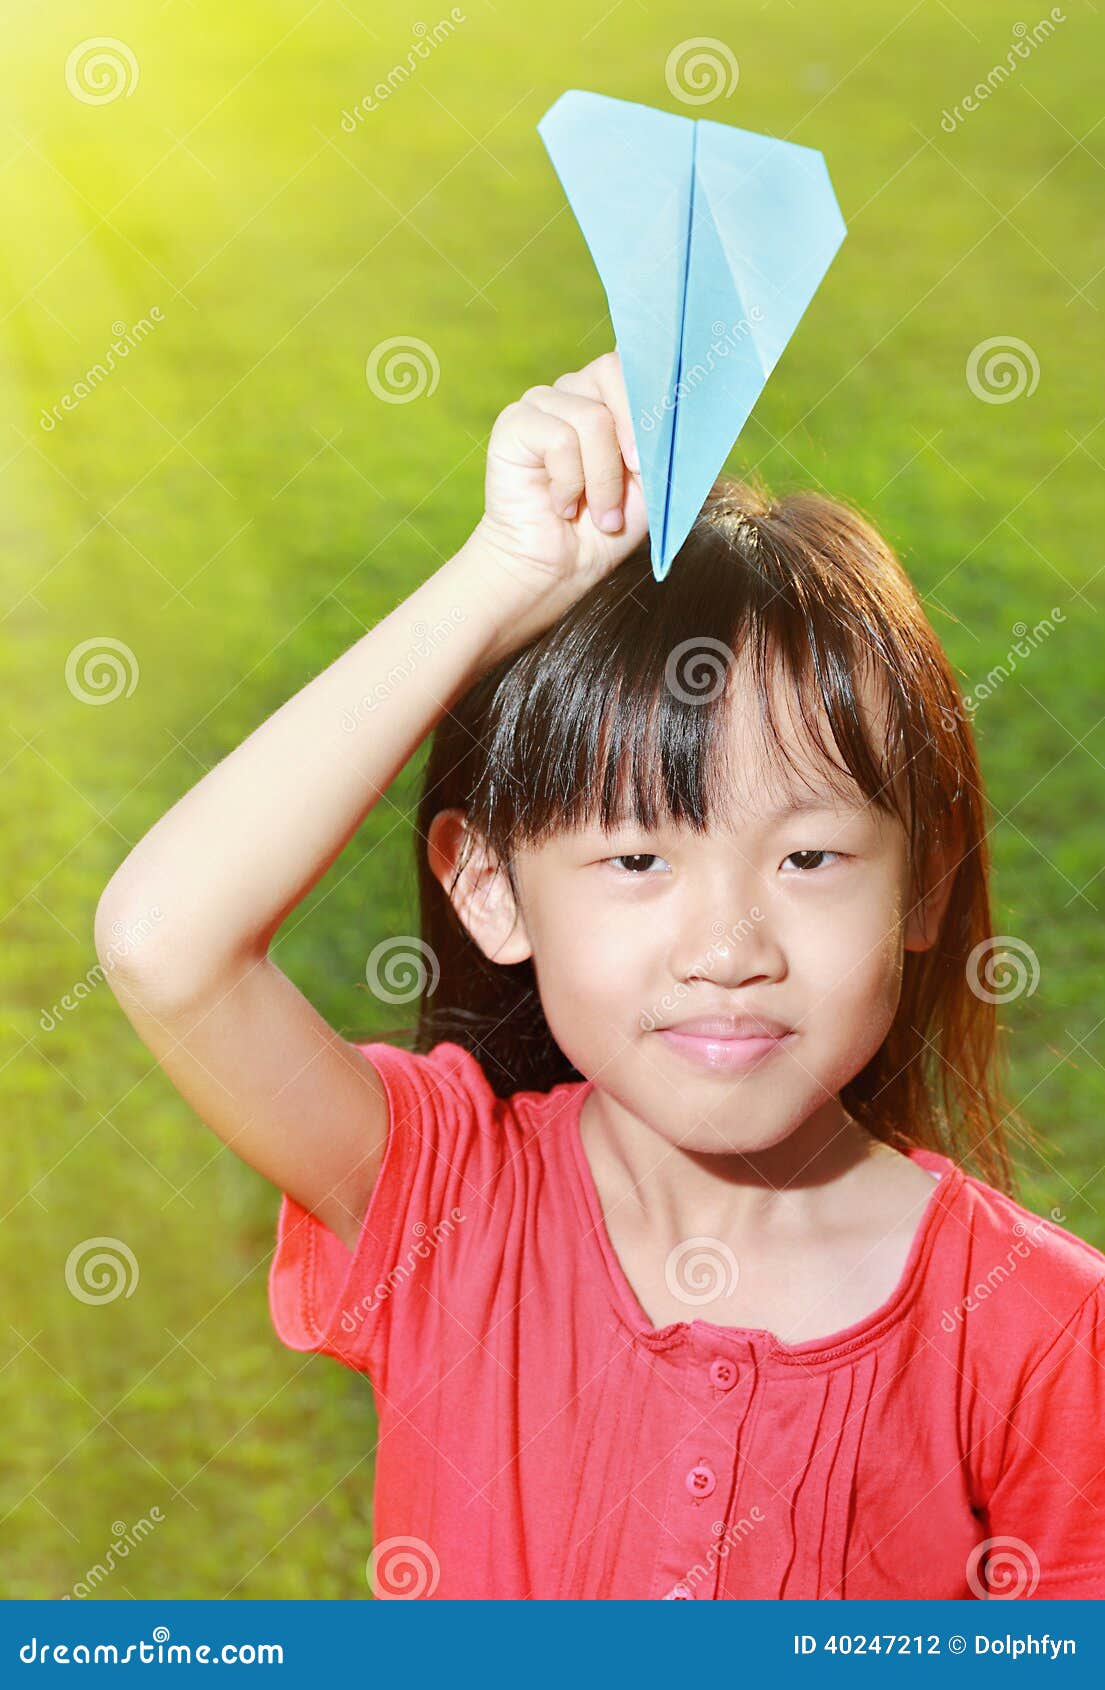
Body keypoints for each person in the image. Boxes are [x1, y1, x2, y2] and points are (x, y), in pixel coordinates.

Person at [97, 350, 1105, 1600]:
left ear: (924, 885)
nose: (728, 950)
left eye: (807, 854)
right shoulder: (446, 1205)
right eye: (636, 855)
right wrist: (501, 576)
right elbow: (163, 943)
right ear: (489, 890)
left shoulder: (1045, 1329)